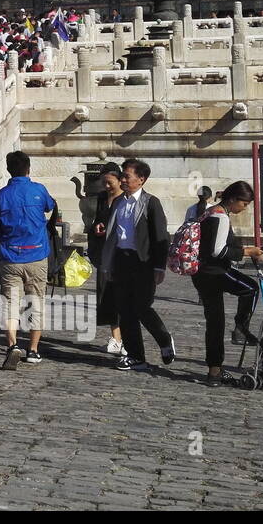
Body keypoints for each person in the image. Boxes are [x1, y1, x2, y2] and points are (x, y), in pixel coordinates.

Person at [100, 158, 175, 373]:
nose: (122, 179)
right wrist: (108, 264)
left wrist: (159, 267)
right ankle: (135, 356)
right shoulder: (117, 202)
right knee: (124, 310)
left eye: (127, 176)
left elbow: (160, 236)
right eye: (122, 175)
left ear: (141, 179)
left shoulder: (151, 203)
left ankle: (163, 338)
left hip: (143, 262)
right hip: (121, 261)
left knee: (142, 307)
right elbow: (112, 234)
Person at [191, 180, 263, 387]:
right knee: (251, 288)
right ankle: (241, 327)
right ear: (233, 199)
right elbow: (218, 250)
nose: (244, 208)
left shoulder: (210, 211)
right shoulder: (220, 216)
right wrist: (247, 252)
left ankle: (214, 370)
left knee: (215, 322)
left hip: (203, 273)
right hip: (215, 272)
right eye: (244, 204)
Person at [0, 150, 53, 368]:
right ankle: (33, 349)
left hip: (11, 256)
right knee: (36, 302)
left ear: (8, 169)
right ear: (29, 168)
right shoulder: (39, 190)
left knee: (10, 304)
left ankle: (13, 345)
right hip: (36, 254)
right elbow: (50, 206)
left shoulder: (1, 196)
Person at [88, 166, 124, 355]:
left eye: (110, 182)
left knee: (122, 296)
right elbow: (97, 219)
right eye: (104, 182)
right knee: (105, 295)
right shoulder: (102, 198)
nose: (107, 186)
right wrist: (97, 226)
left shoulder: (126, 200)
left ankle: (125, 337)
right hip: (104, 253)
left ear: (120, 180)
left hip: (121, 254)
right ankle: (116, 337)